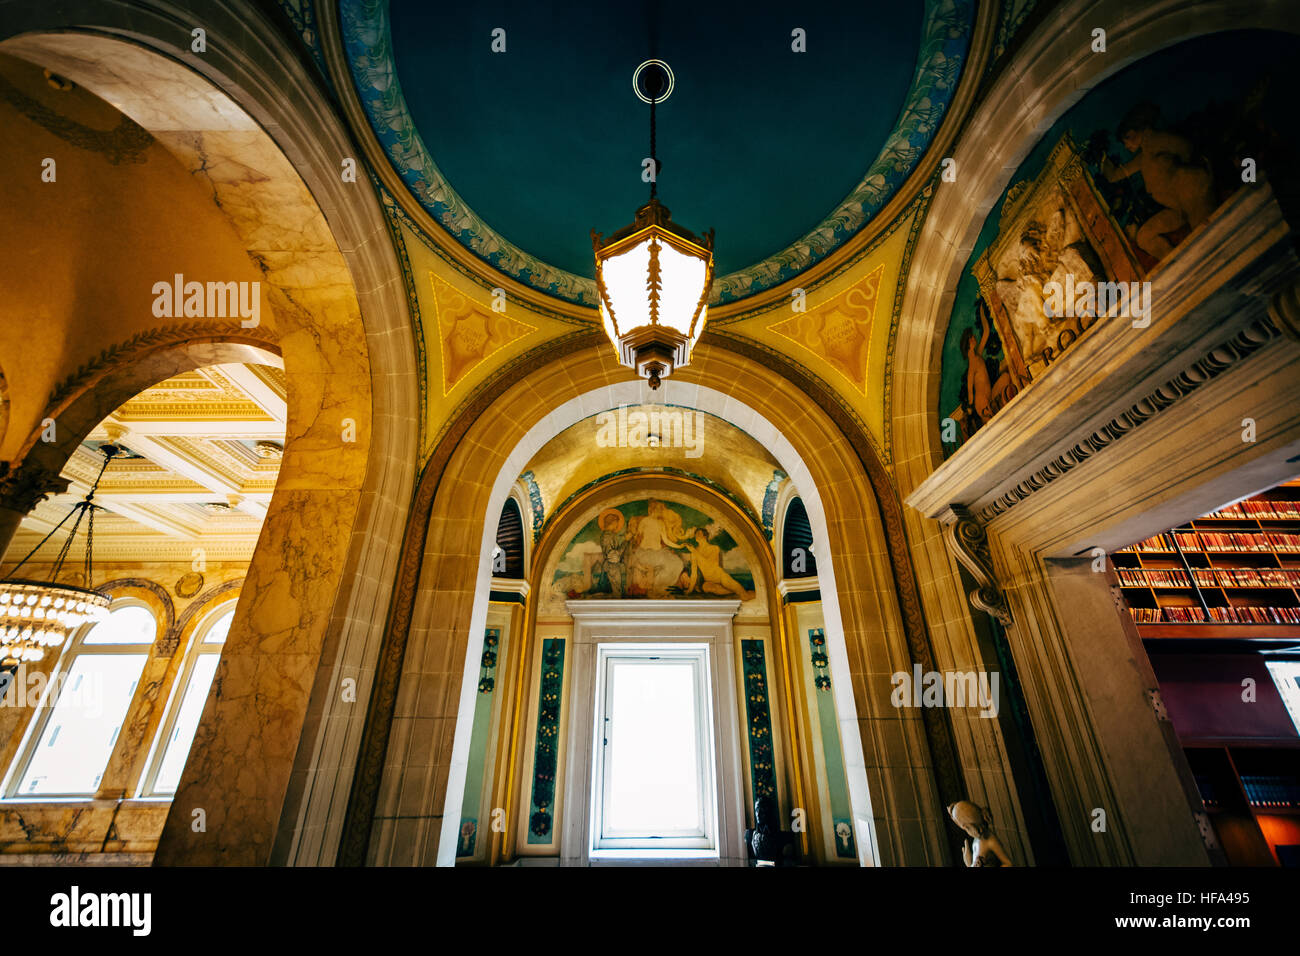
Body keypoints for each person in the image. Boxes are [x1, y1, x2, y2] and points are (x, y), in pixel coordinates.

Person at [1101, 103, 1216, 260]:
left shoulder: (1157, 139)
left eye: (1127, 138)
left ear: (1137, 130)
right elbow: (1116, 175)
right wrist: (1103, 160)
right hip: (1176, 207)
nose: (1127, 145)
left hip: (1192, 194)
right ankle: (1177, 262)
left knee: (1209, 239)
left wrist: (1186, 174)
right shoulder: (1143, 156)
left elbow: (1186, 148)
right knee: (1144, 237)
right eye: (1124, 142)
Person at [682, 528, 750, 599]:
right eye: (695, 534)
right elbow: (694, 574)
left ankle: (743, 593)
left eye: (699, 534)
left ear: (705, 536)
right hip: (708, 580)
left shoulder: (714, 548)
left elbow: (710, 566)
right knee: (707, 588)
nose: (696, 535)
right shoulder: (694, 553)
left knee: (743, 594)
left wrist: (694, 552)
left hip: (720, 576)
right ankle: (735, 592)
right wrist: (690, 590)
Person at [948, 800, 1013, 867]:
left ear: (969, 826)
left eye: (966, 828)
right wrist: (969, 863)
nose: (967, 832)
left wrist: (969, 863)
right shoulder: (976, 840)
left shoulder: (990, 841)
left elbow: (1008, 864)